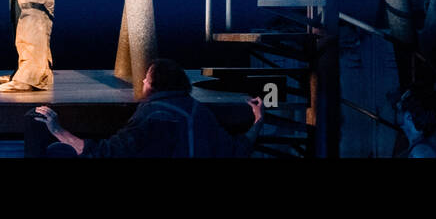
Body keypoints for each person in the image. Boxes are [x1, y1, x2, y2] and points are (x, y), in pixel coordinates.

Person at [32, 58, 264, 157]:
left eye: (146, 78)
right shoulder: (200, 113)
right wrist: (258, 121)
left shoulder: (154, 116)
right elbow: (237, 149)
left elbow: (105, 153)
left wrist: (57, 130)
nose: (142, 82)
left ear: (155, 85)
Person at [394, 85, 436, 158]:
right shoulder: (422, 148)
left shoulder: (421, 153)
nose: (397, 105)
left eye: (401, 104)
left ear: (409, 116)